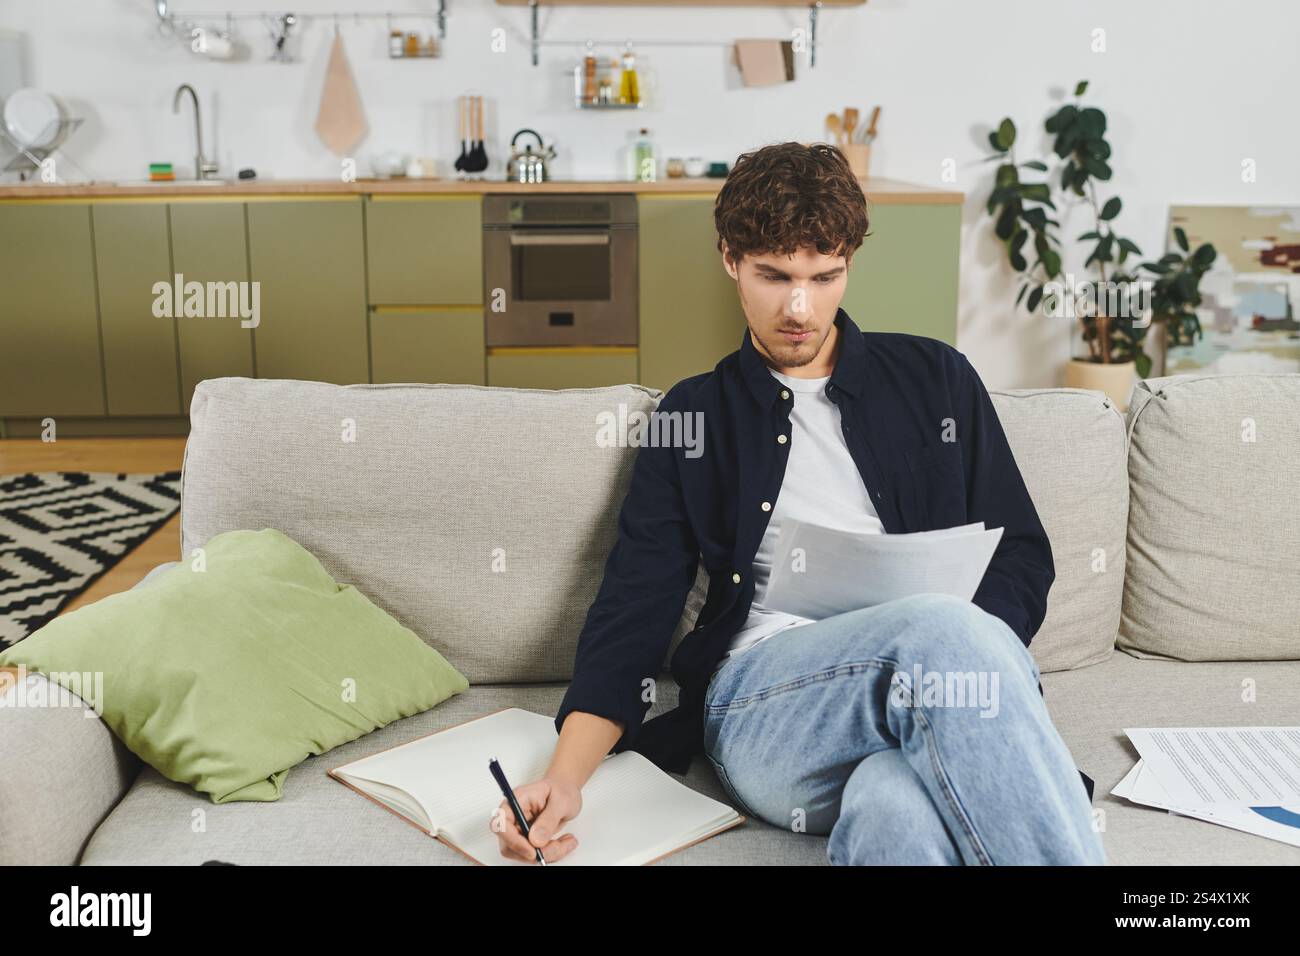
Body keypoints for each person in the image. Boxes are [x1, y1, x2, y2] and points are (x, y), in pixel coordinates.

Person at [491, 141, 1104, 865]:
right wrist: (564, 779)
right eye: (774, 276)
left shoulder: (937, 378)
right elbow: (634, 607)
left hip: (932, 690)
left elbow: (1020, 557)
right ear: (730, 260)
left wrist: (975, 663)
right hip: (769, 713)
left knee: (893, 803)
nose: (799, 307)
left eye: (826, 275)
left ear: (850, 264)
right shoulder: (695, 415)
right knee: (941, 630)